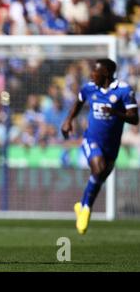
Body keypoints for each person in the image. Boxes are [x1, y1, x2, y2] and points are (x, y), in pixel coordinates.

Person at [61, 58, 138, 235]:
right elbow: (78, 103)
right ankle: (86, 209)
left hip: (111, 145)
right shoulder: (89, 88)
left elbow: (134, 118)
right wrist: (68, 121)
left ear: (106, 73)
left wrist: (116, 113)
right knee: (98, 167)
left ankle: (81, 205)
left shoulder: (124, 91)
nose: (91, 74)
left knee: (100, 176)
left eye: (95, 72)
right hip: (91, 139)